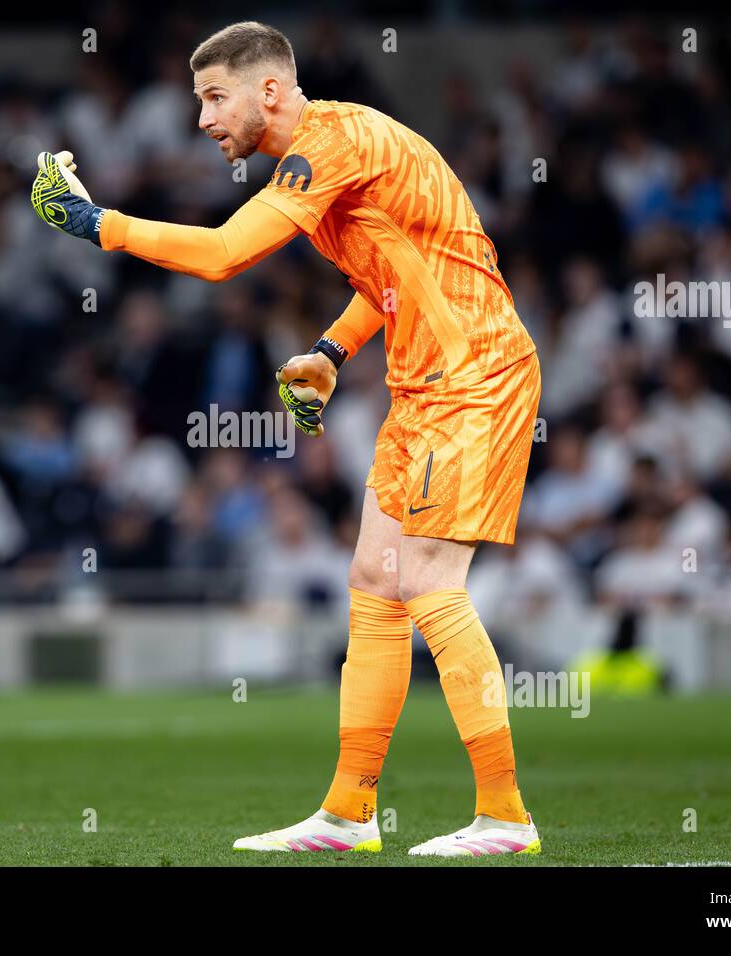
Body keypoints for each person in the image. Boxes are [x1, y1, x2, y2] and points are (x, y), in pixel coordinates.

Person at [33, 21, 542, 858]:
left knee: (426, 578)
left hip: (476, 372)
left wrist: (97, 223)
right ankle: (348, 813)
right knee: (375, 580)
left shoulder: (332, 141)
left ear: (269, 90)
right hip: (422, 383)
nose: (201, 119)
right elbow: (391, 281)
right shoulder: (328, 159)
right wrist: (333, 351)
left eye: (213, 97)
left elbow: (227, 254)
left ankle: (506, 814)